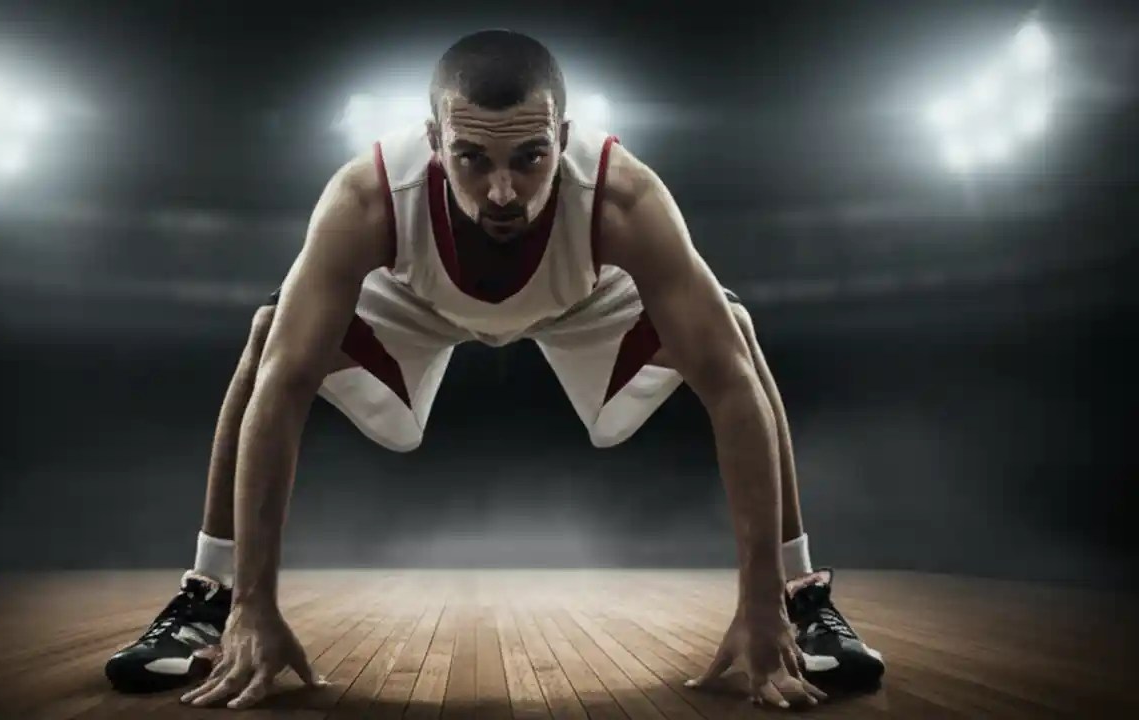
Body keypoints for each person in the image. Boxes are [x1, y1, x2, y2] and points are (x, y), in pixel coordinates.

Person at [104, 29, 884, 710]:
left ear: (565, 134)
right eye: (472, 159)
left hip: (583, 302)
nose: (503, 192)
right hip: (415, 302)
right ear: (435, 140)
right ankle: (209, 599)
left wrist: (755, 603)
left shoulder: (624, 198)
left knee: (733, 333)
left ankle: (798, 597)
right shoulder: (367, 196)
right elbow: (280, 388)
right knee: (273, 334)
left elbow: (727, 386)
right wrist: (256, 604)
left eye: (531, 157)